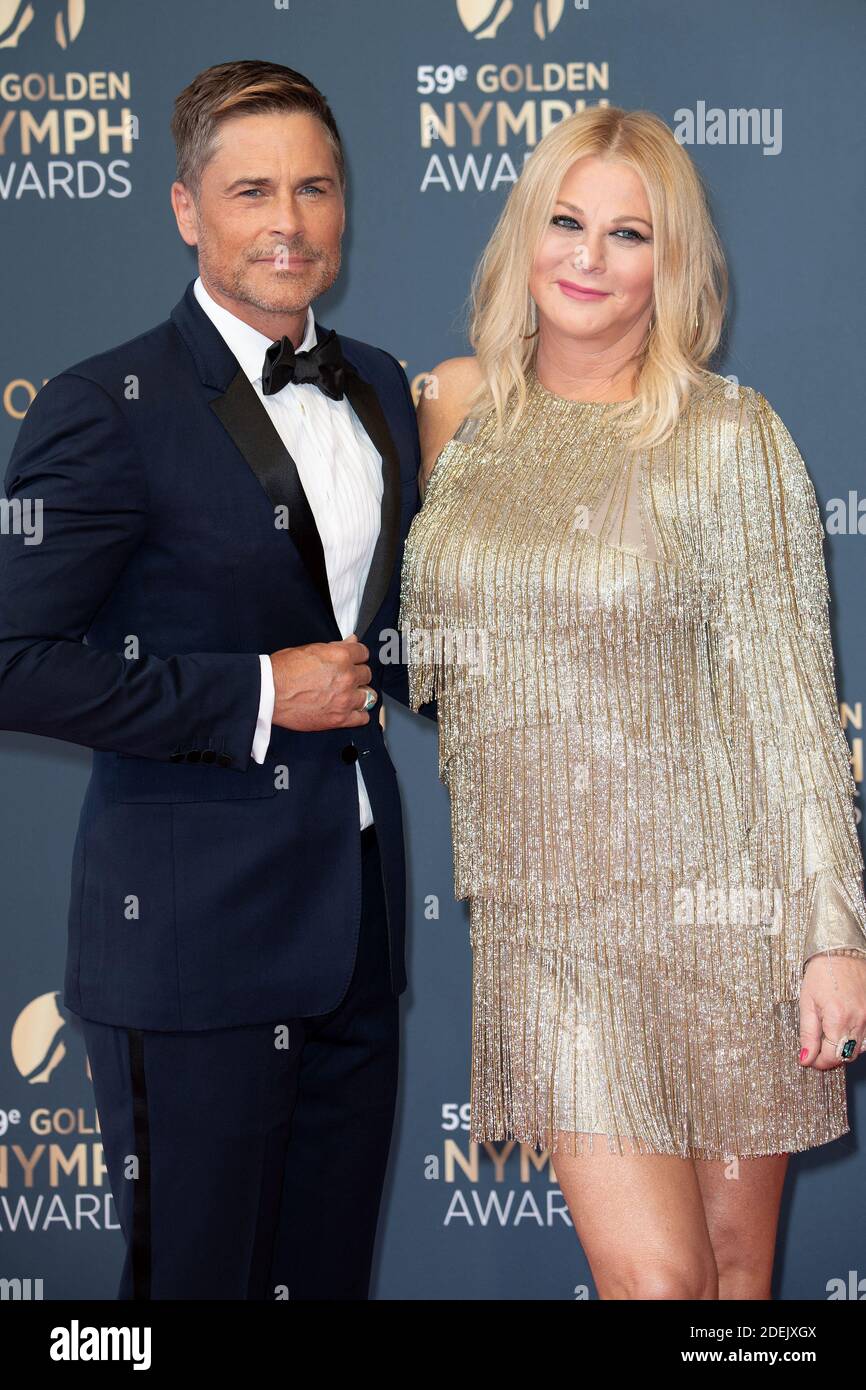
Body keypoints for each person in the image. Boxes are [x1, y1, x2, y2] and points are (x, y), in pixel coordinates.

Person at [399, 105, 866, 1300]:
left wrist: (829, 933)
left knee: (728, 1280)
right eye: (565, 221)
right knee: (655, 1282)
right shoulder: (453, 409)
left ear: (673, 266)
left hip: (724, 913)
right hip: (550, 922)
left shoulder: (726, 435)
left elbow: (789, 704)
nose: (587, 258)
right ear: (525, 235)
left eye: (627, 234)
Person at [0, 59, 432, 1300]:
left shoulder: (381, 390)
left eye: (314, 187)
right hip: (190, 941)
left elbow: (384, 642)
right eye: (250, 191)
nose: (287, 222)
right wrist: (252, 694)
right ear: (187, 208)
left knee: (323, 1279)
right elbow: (14, 660)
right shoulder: (106, 406)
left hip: (351, 921)